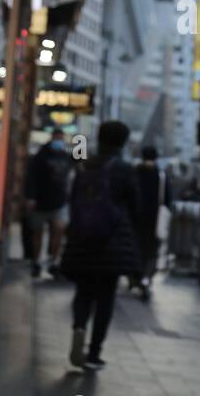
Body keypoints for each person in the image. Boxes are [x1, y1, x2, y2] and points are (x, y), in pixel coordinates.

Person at [58, 121, 142, 371]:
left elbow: (73, 200)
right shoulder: (125, 170)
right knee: (106, 297)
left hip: (82, 239)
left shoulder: (83, 165)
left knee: (83, 290)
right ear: (123, 142)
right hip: (112, 243)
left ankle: (79, 327)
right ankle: (94, 353)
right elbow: (136, 208)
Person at [24, 128, 74, 278]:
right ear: (52, 138)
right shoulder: (40, 156)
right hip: (40, 201)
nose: (59, 141)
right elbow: (31, 177)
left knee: (58, 230)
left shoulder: (66, 157)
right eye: (57, 138)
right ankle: (36, 261)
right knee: (37, 233)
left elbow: (78, 165)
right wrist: (31, 197)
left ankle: (52, 261)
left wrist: (82, 138)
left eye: (61, 138)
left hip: (60, 202)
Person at [128, 145, 172, 299]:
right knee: (151, 250)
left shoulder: (133, 172)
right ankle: (146, 278)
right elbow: (167, 200)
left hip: (134, 219)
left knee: (134, 247)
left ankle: (134, 276)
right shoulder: (161, 176)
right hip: (154, 221)